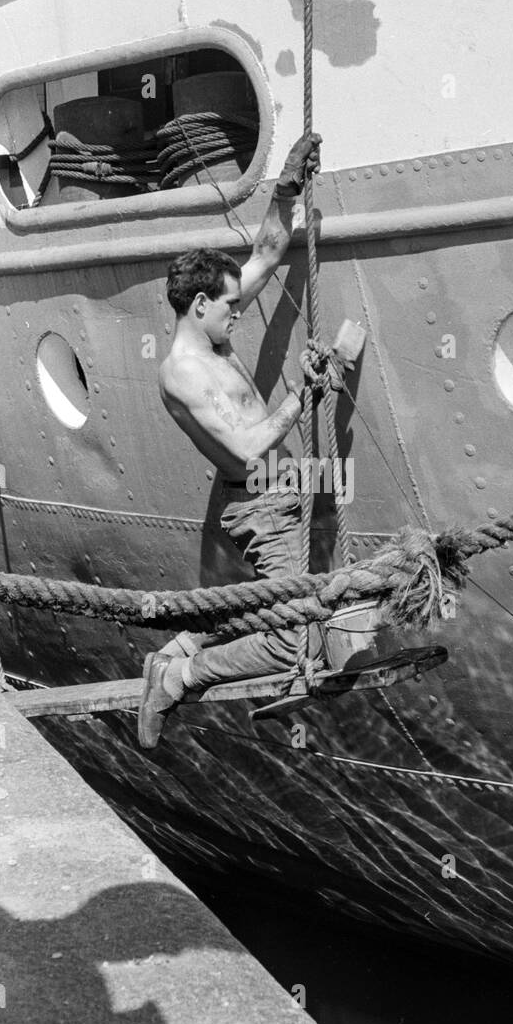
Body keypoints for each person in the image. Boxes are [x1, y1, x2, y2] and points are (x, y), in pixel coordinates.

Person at [138, 133, 323, 748]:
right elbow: (247, 448)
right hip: (259, 501)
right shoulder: (184, 371)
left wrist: (285, 189)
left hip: (273, 492)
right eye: (228, 307)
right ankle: (180, 677)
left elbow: (267, 253)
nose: (238, 314)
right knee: (285, 638)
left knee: (247, 608)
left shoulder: (211, 338)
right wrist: (304, 394)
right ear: (197, 304)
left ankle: (184, 644)